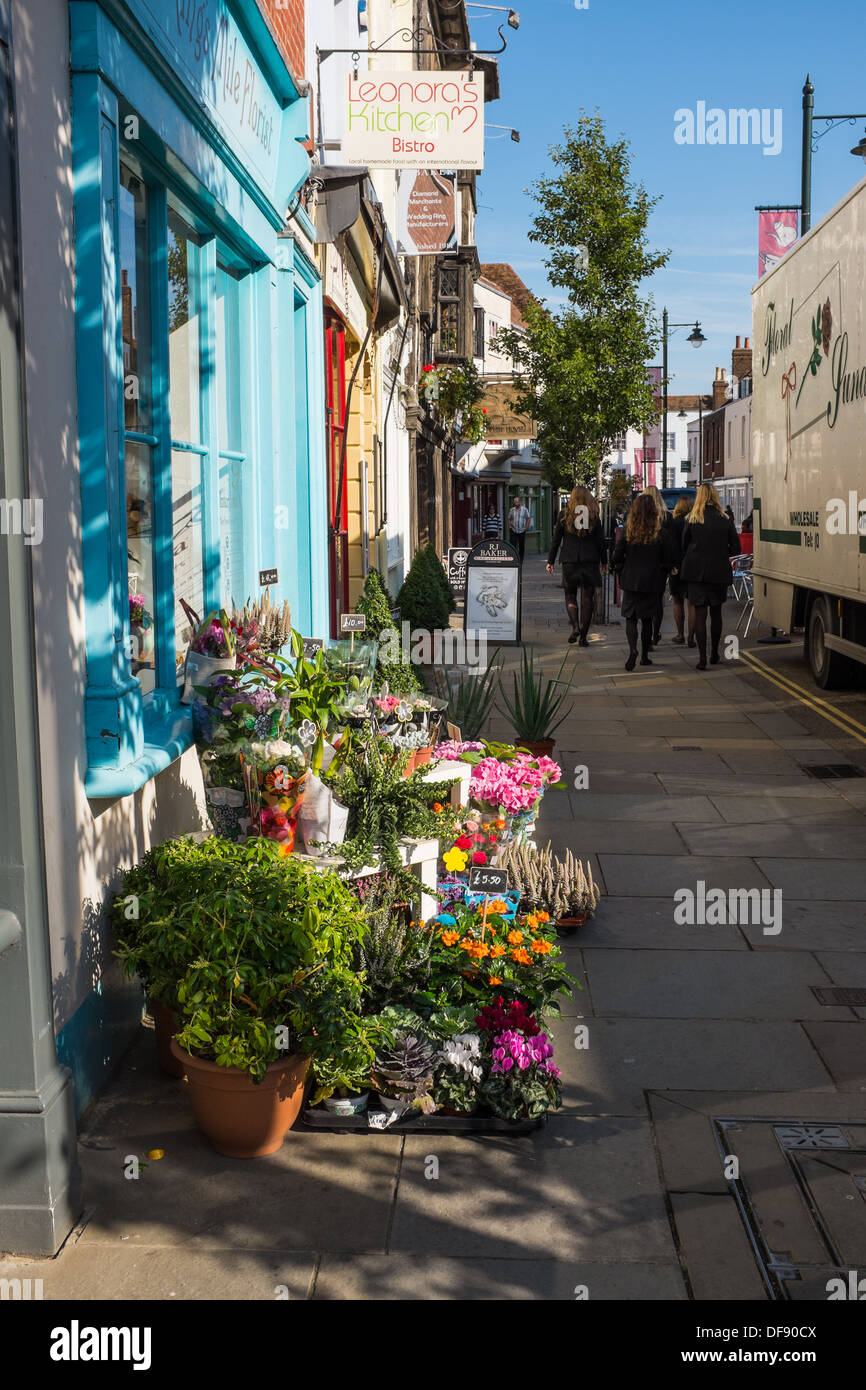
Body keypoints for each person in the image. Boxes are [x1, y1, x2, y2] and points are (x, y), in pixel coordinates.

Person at [679, 481, 741, 671]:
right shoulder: (725, 519)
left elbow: (684, 545)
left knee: (700, 613)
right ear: (715, 496)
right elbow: (736, 548)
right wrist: (721, 553)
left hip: (696, 573)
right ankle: (714, 652)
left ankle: (702, 657)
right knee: (716, 613)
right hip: (718, 572)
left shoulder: (692, 519)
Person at [611, 493, 675, 671]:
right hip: (652, 581)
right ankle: (645, 655)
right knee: (647, 619)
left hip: (631, 579)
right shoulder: (660, 532)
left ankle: (633, 650)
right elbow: (668, 558)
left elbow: (617, 555)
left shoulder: (628, 531)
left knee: (630, 618)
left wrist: (620, 568)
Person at [546, 486, 607, 645]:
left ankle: (574, 626)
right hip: (589, 561)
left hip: (570, 561)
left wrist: (550, 561)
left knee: (570, 596)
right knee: (587, 599)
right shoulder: (594, 516)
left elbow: (556, 540)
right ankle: (584, 638)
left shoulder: (564, 515)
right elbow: (601, 543)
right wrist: (605, 562)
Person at [641, 485, 674, 647]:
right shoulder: (667, 517)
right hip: (660, 566)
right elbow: (672, 543)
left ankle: (646, 635)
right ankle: (655, 633)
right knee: (657, 600)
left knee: (644, 599)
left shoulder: (639, 516)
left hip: (642, 565)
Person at [669, 497, 694, 646]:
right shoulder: (694, 521)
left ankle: (680, 634)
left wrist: (672, 565)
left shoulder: (674, 522)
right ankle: (691, 636)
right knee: (692, 603)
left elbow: (671, 546)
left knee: (677, 601)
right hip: (692, 566)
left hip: (677, 567)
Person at [508, 495, 532, 562]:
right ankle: (514, 559)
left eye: (517, 502)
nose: (516, 503)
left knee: (521, 546)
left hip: (522, 530)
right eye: (515, 502)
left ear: (520, 502)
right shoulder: (512, 510)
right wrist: (510, 527)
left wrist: (526, 527)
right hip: (513, 530)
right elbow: (509, 518)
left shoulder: (524, 510)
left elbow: (528, 518)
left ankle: (520, 560)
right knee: (513, 545)